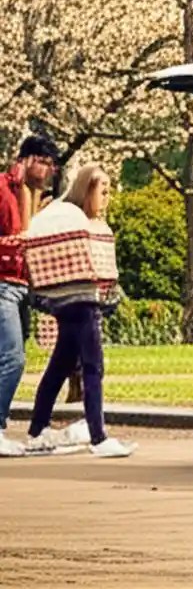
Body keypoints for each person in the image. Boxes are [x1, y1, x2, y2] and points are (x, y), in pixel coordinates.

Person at [23, 164, 135, 457]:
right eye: (103, 191)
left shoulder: (65, 219)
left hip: (65, 302)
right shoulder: (78, 225)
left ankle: (37, 428)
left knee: (60, 365)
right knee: (93, 366)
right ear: (87, 191)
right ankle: (98, 437)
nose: (107, 198)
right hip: (82, 301)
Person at [0, 135, 61, 457]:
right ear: (28, 159)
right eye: (46, 163)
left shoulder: (33, 197)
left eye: (53, 165)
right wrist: (15, 242)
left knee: (8, 357)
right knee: (13, 358)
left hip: (19, 287)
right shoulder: (3, 188)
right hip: (2, 286)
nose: (50, 170)